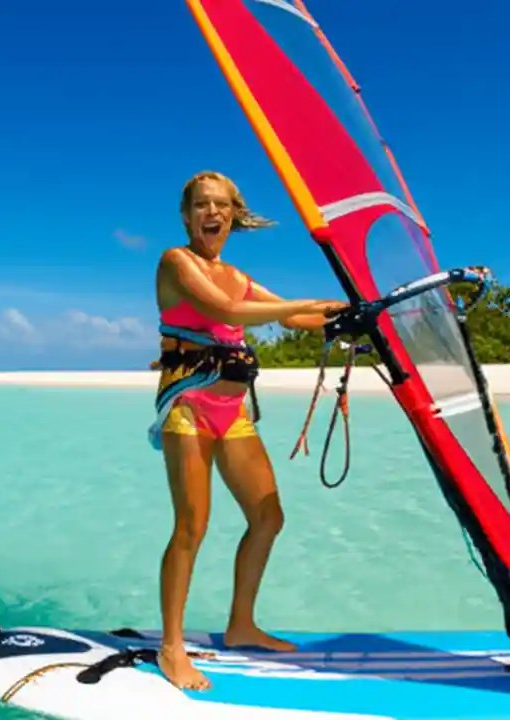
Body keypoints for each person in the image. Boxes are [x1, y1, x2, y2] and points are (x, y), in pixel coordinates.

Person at [149, 170, 348, 691]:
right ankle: (172, 647)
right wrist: (300, 304)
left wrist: (351, 311)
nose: (211, 213)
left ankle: (240, 625)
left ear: (234, 215)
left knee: (268, 515)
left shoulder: (235, 273)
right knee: (191, 527)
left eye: (221, 205)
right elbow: (229, 311)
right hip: (188, 404)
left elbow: (297, 320)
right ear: (186, 214)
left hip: (232, 411)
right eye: (200, 205)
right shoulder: (176, 262)